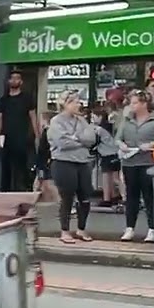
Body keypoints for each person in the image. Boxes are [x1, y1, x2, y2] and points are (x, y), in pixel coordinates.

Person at [115, 89, 154, 242]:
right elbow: (118, 138)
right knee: (131, 196)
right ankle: (129, 228)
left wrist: (152, 144)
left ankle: (152, 229)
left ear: (144, 103)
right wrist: (121, 145)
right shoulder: (127, 120)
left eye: (135, 103)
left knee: (149, 197)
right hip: (130, 162)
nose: (131, 106)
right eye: (130, 103)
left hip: (149, 162)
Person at [47, 91, 97, 243]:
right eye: (75, 102)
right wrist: (79, 140)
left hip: (83, 161)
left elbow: (91, 139)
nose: (79, 104)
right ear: (65, 104)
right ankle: (65, 230)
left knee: (85, 196)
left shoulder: (82, 121)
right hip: (63, 161)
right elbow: (61, 142)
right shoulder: (56, 121)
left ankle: (81, 229)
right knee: (67, 196)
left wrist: (76, 138)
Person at [0, 70, 41, 191]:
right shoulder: (3, 100)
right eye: (12, 78)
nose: (14, 81)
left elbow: (33, 116)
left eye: (17, 78)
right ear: (9, 81)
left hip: (22, 137)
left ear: (21, 81)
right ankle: (4, 191)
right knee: (5, 166)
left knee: (21, 166)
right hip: (6, 137)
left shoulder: (27, 98)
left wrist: (37, 136)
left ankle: (23, 189)